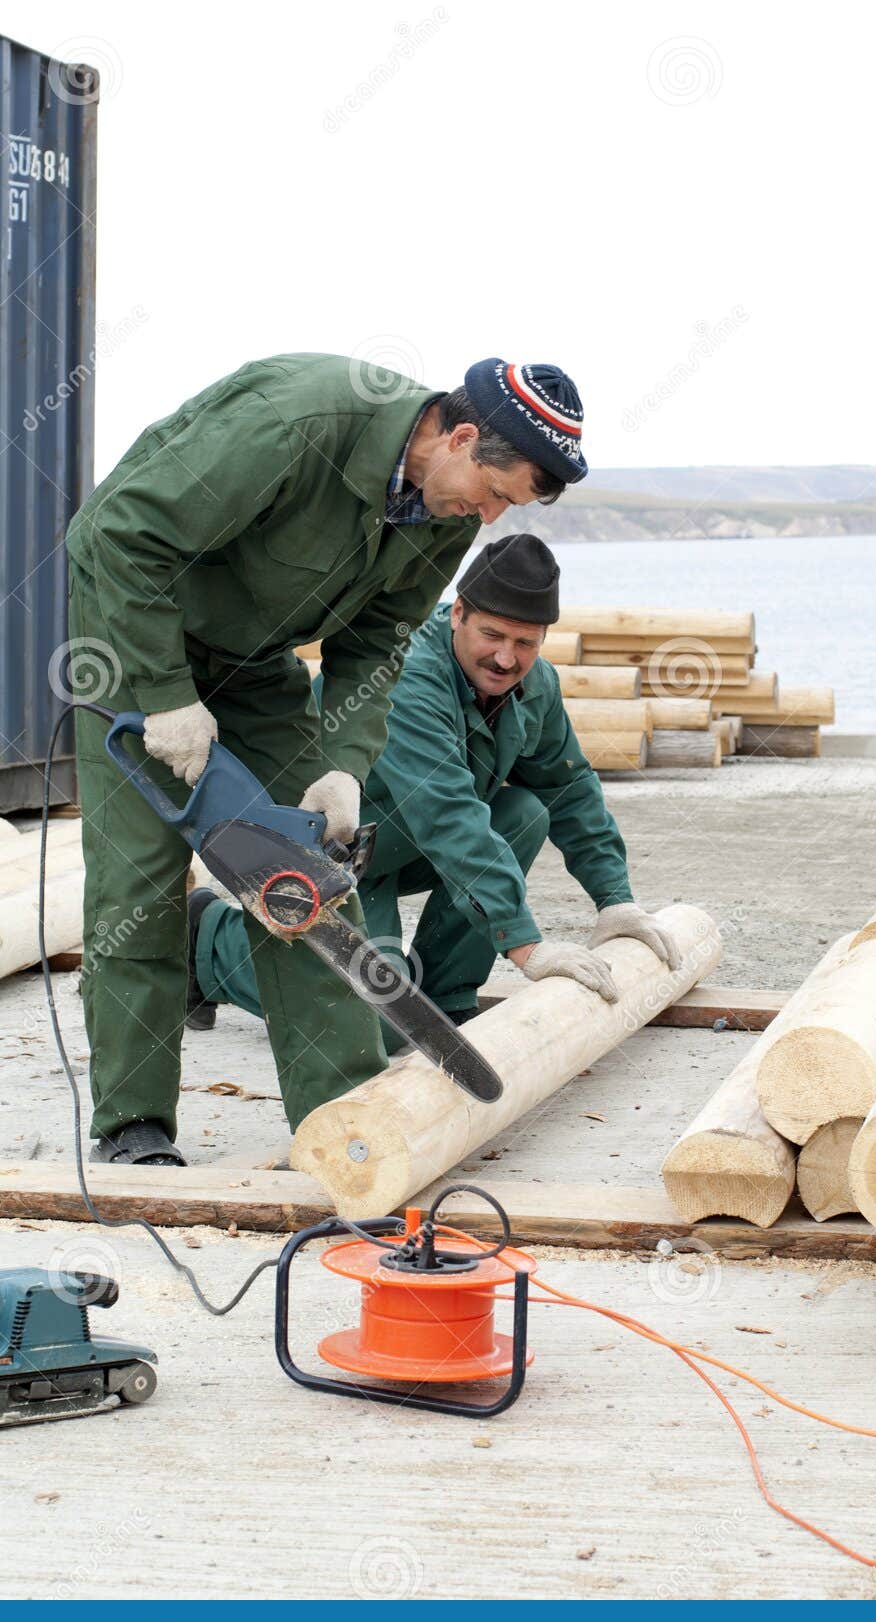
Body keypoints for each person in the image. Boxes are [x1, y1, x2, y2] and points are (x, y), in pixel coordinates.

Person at [65, 354, 588, 1165]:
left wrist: (342, 762)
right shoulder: (294, 424)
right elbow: (119, 534)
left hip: (254, 661)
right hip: (134, 637)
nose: (487, 518)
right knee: (140, 884)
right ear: (460, 437)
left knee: (309, 878)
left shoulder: (445, 506)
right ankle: (134, 1125)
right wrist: (165, 693)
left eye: (506, 507)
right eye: (493, 494)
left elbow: (377, 639)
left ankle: (343, 1120)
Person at [187, 534, 681, 1040]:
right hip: (327, 854)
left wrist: (615, 900)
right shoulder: (408, 676)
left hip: (400, 841)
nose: (506, 658)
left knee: (524, 813)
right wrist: (526, 947)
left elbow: (569, 788)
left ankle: (446, 995)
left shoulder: (536, 685)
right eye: (492, 635)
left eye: (525, 643)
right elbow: (448, 815)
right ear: (458, 613)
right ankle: (206, 941)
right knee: (381, 1023)